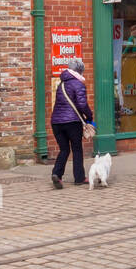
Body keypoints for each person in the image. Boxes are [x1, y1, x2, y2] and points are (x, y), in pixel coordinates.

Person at [50, 57, 94, 188]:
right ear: (80, 71)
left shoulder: (61, 84)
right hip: (72, 122)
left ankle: (57, 174)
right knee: (77, 149)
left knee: (64, 149)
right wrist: (89, 116)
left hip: (56, 122)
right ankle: (79, 178)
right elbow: (82, 104)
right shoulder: (78, 84)